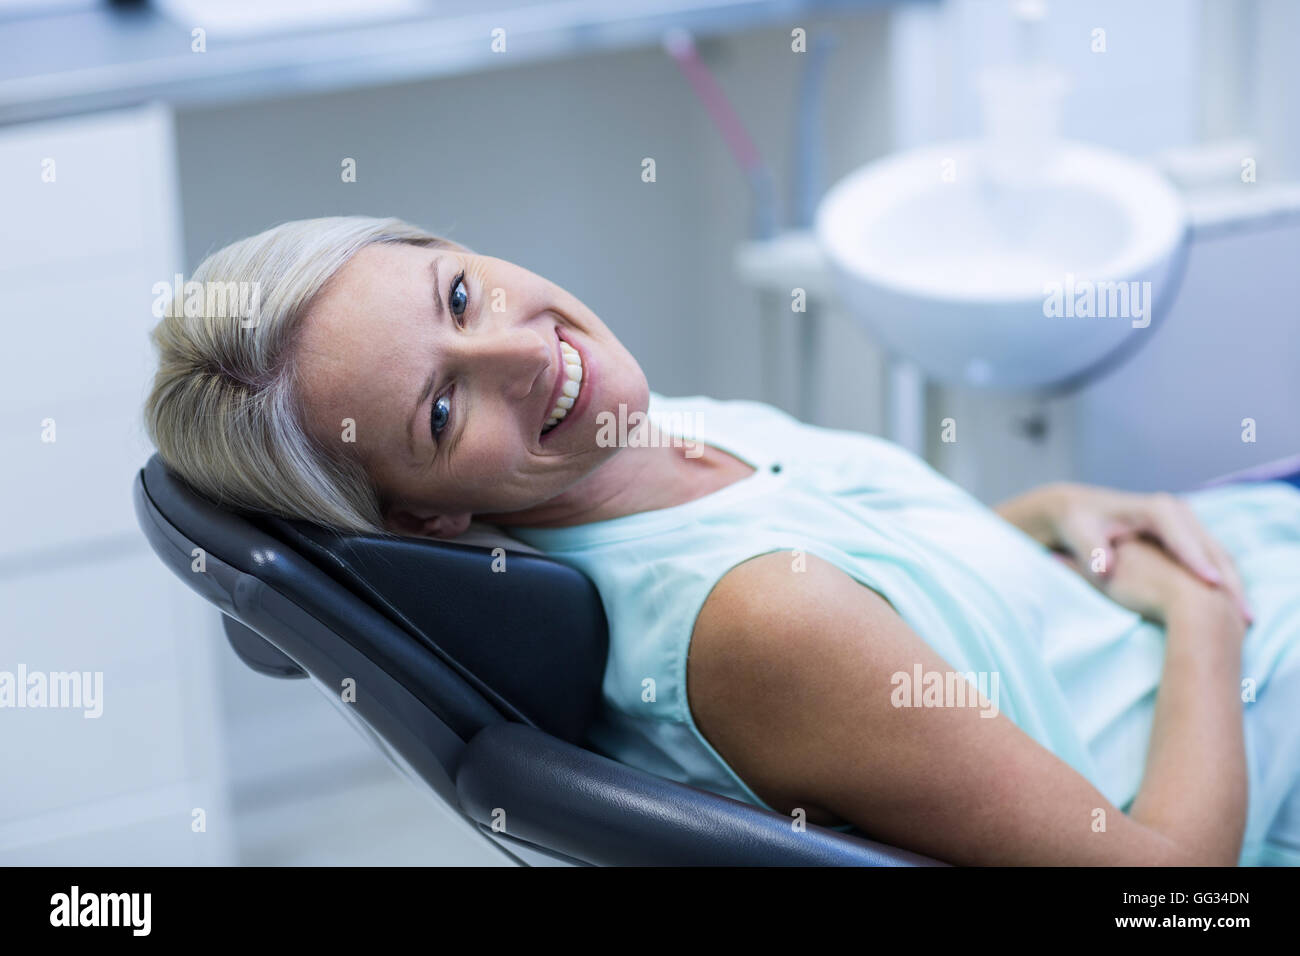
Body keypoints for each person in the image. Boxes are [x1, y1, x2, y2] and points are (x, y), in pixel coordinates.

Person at [144, 216, 1300, 865]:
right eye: (442, 412)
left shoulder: (623, 439)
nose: (524, 354)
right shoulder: (755, 621)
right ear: (422, 518)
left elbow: (900, 618)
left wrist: (1041, 514)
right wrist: (1200, 615)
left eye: (457, 295)